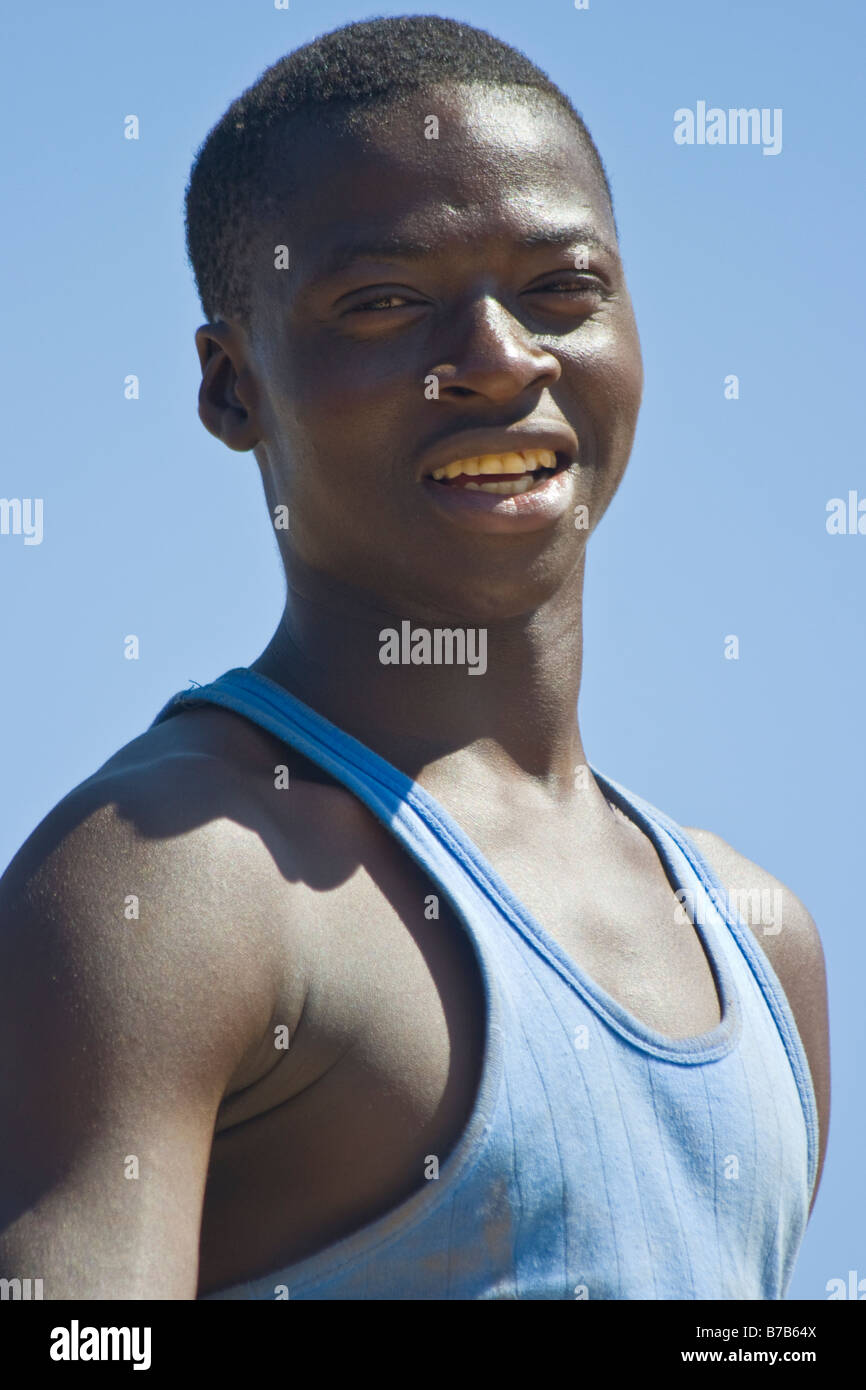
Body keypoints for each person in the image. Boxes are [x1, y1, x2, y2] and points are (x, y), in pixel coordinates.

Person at [0, 15, 829, 1300]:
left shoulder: (754, 944)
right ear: (232, 388)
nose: (500, 357)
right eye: (385, 302)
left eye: (562, 287)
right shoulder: (176, 881)